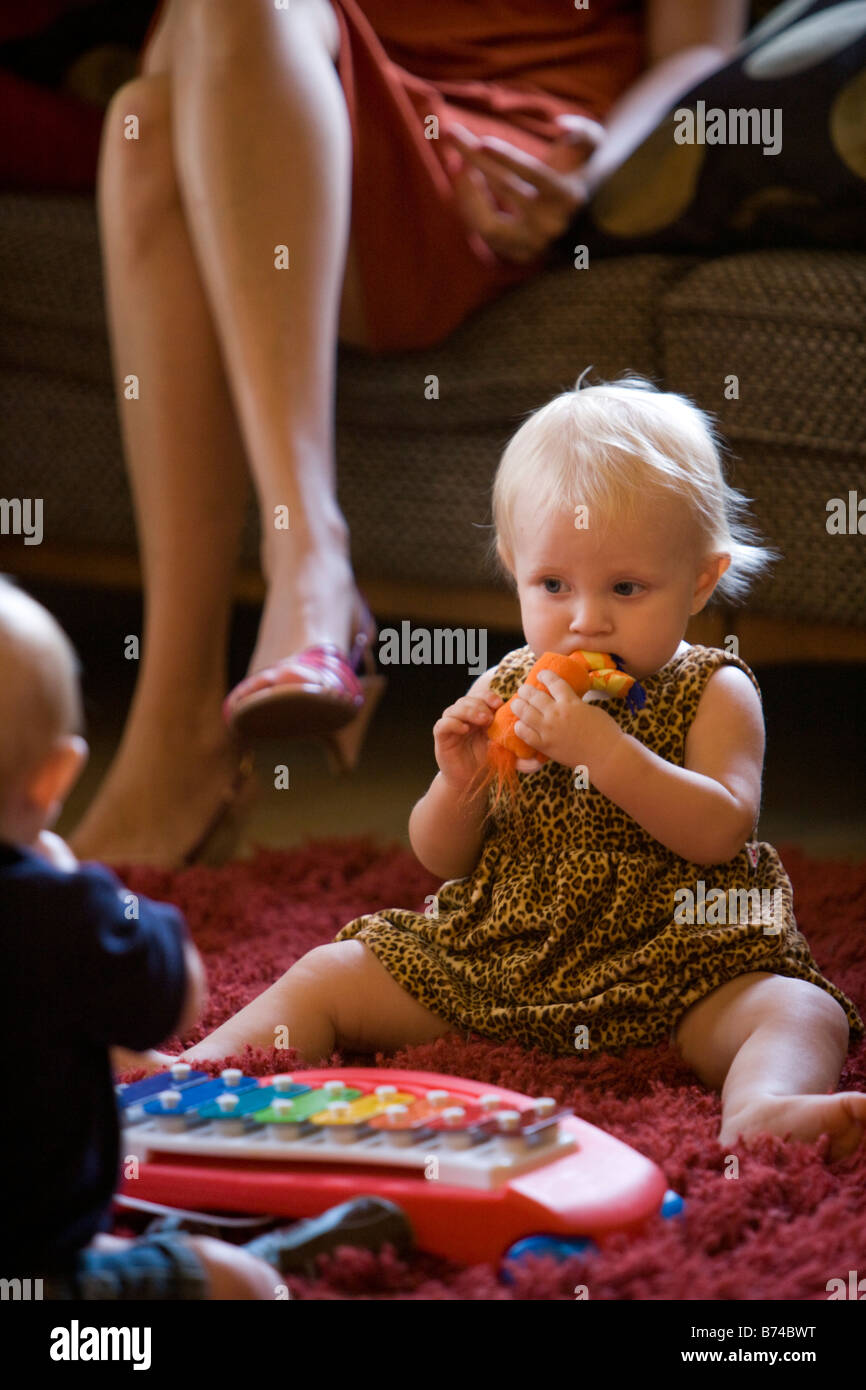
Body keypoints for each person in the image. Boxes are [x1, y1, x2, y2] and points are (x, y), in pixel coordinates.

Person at [68, 0, 751, 869]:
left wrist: (599, 172)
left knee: (164, 101)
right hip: (300, 114)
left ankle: (274, 615)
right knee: (145, 118)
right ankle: (214, 682)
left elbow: (698, 51)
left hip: (503, 156)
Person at [160, 376, 866, 1161]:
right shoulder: (505, 686)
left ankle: (766, 1106)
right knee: (332, 970)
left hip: (682, 960)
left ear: (700, 579)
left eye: (627, 588)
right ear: (513, 567)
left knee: (801, 1009)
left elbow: (720, 831)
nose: (587, 618)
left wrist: (605, 751)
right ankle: (197, 1075)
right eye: (553, 585)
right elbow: (440, 857)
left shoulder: (716, 689)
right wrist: (459, 781)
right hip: (507, 958)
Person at [0, 577, 284, 1298]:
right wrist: (79, 884)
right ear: (56, 774)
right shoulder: (62, 914)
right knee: (240, 1281)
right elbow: (181, 996)